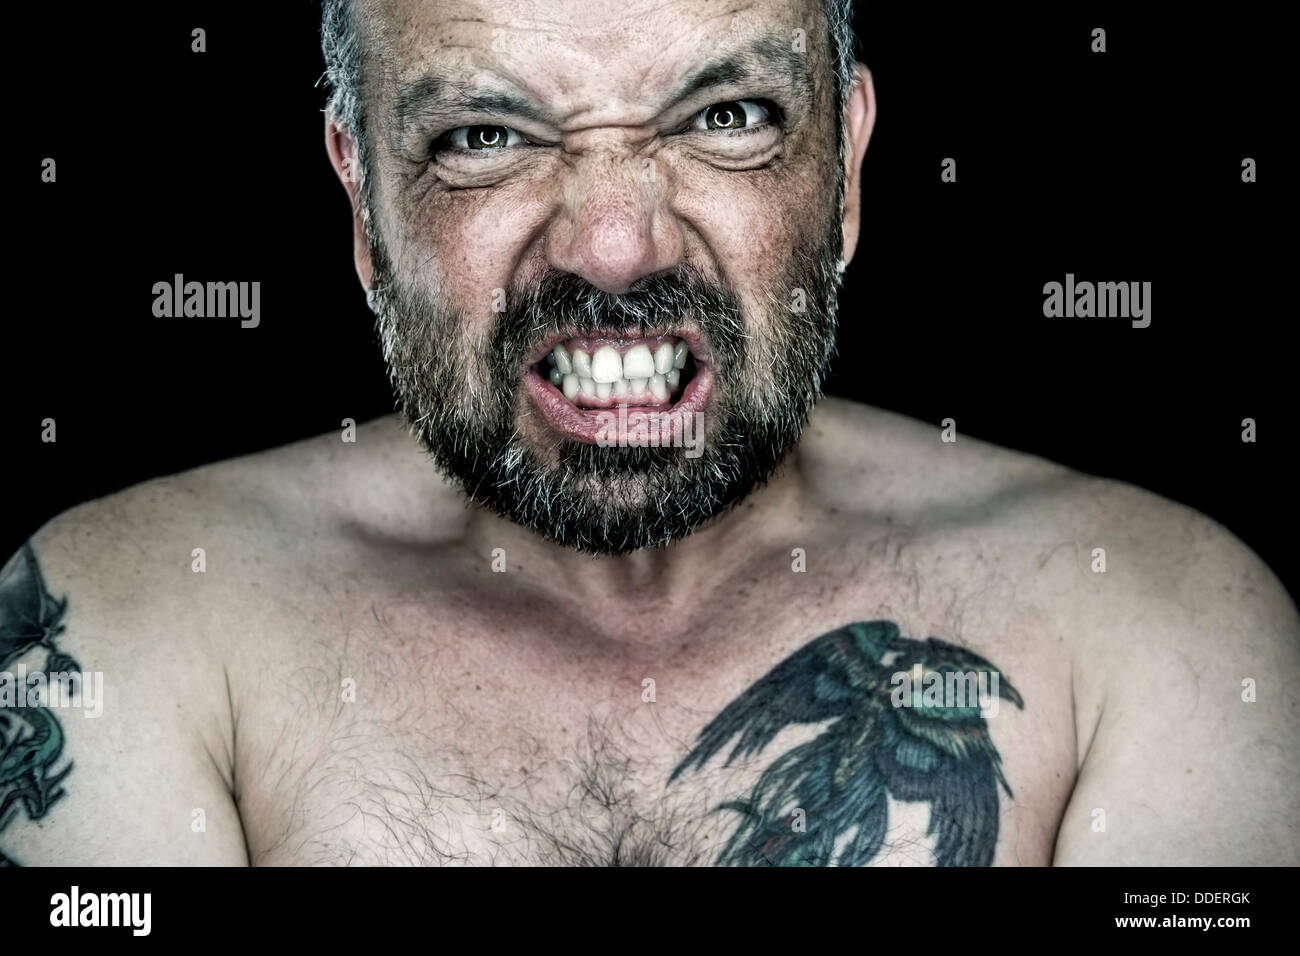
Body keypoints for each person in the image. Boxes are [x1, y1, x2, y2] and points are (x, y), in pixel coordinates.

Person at [1, 0, 1295, 866]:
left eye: (724, 118)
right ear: (362, 198)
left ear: (847, 168)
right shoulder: (128, 627)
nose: (616, 248)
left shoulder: (1152, 630)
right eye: (486, 137)